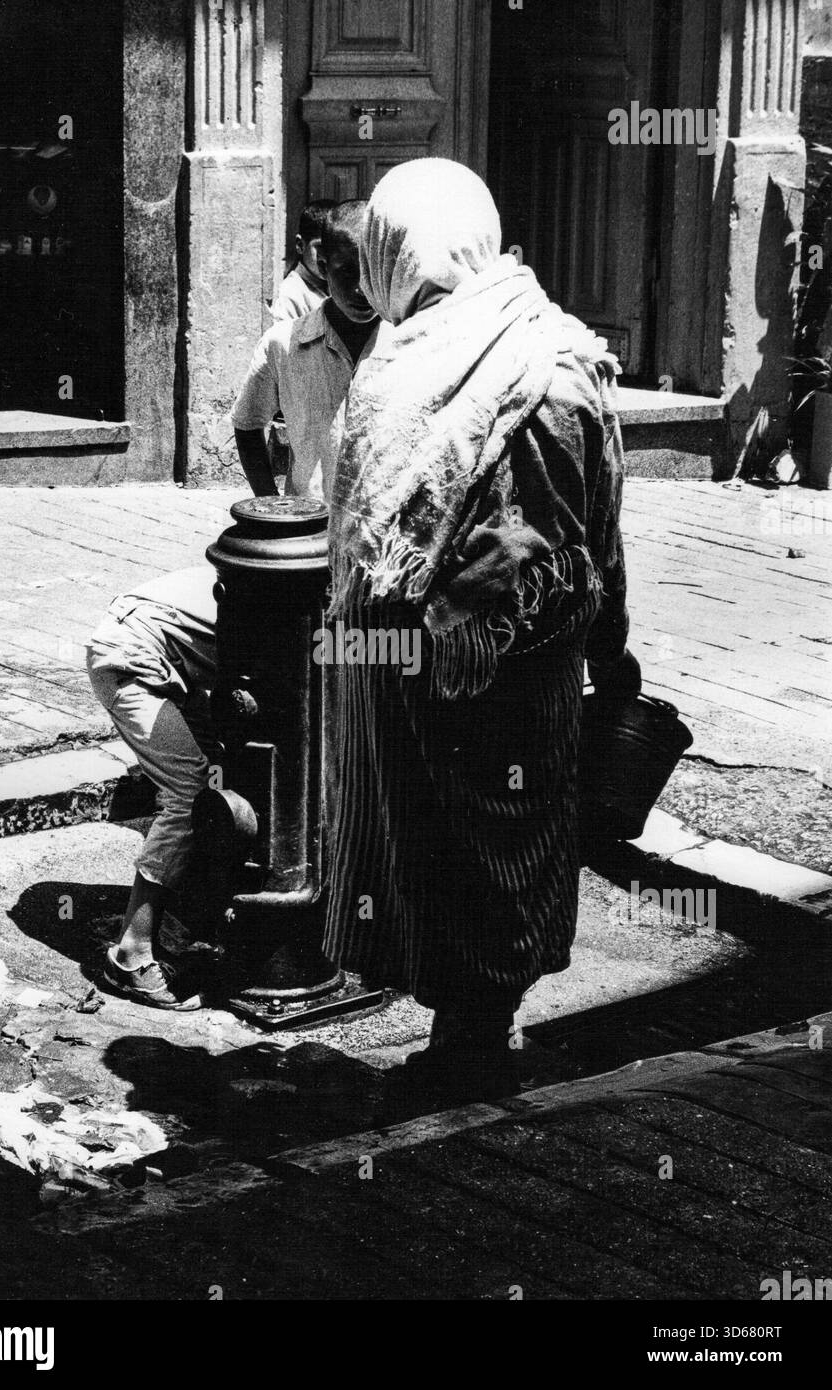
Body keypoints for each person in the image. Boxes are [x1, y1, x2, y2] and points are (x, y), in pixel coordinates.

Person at [323, 159, 642, 1101]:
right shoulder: (561, 352)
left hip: (429, 664)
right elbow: (602, 523)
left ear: (394, 247)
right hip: (524, 667)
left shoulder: (410, 363)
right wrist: (611, 645)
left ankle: (464, 1045)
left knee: (442, 845)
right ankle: (473, 1035)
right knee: (502, 844)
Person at [86, 567, 220, 1010]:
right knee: (187, 792)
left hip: (163, 655)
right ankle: (130, 957)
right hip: (130, 659)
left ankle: (175, 925)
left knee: (222, 778)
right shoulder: (302, 586)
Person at [232, 201, 380, 502]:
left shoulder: (410, 343)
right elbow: (247, 424)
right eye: (346, 272)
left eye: (369, 272)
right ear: (324, 266)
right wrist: (271, 504)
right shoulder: (282, 344)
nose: (361, 288)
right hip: (310, 525)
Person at [269, 199, 337, 322]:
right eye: (321, 248)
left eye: (335, 249)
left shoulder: (338, 285)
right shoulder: (290, 294)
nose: (328, 257)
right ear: (300, 245)